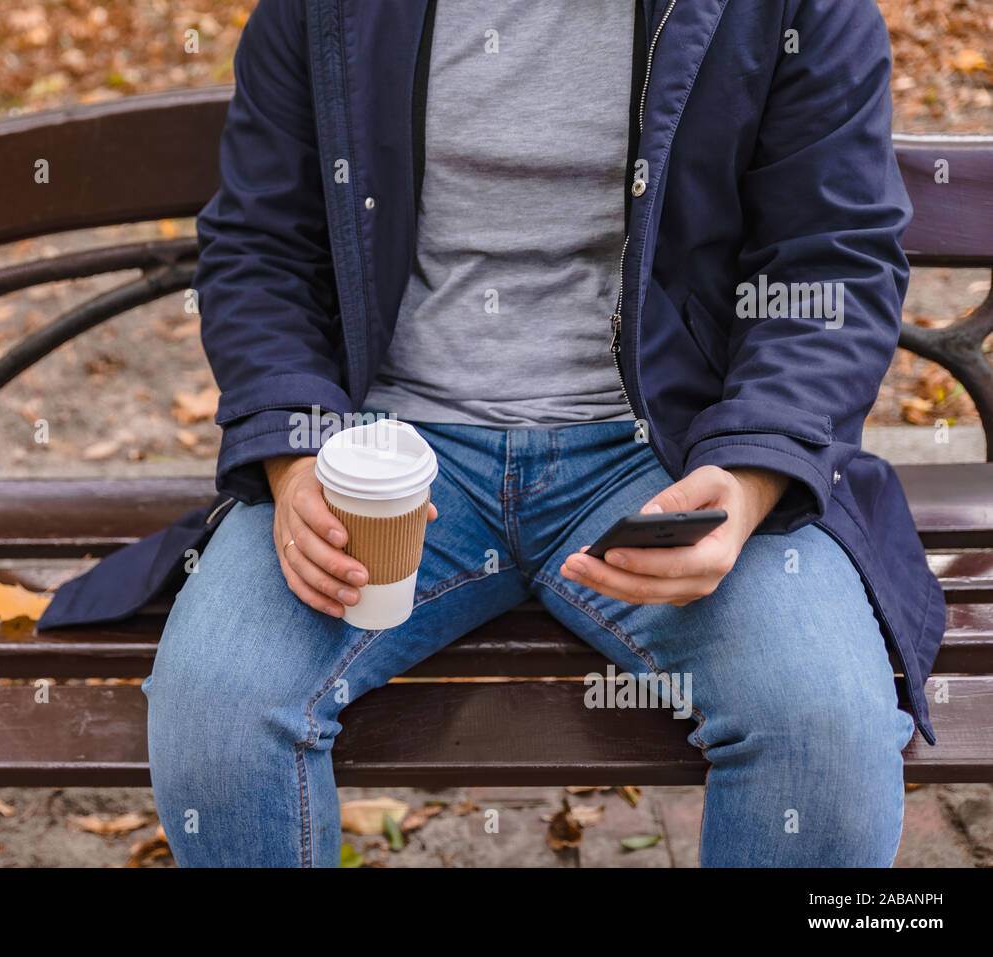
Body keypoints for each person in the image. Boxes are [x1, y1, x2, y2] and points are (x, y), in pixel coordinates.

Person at [140, 0, 944, 867]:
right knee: (216, 708)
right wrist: (297, 455)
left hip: (667, 455)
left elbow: (831, 261)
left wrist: (752, 474)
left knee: (823, 725)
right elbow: (259, 247)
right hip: (390, 457)